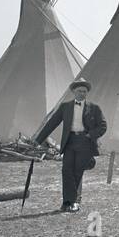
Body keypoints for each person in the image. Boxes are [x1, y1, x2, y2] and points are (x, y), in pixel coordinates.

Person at [32, 78, 107, 213]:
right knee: (66, 170)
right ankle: (66, 201)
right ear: (73, 92)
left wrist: (91, 134)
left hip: (85, 142)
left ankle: (75, 202)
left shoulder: (94, 108)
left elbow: (103, 126)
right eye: (79, 91)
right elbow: (51, 123)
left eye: (84, 91)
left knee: (77, 171)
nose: (82, 94)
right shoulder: (65, 107)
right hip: (69, 142)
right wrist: (37, 141)